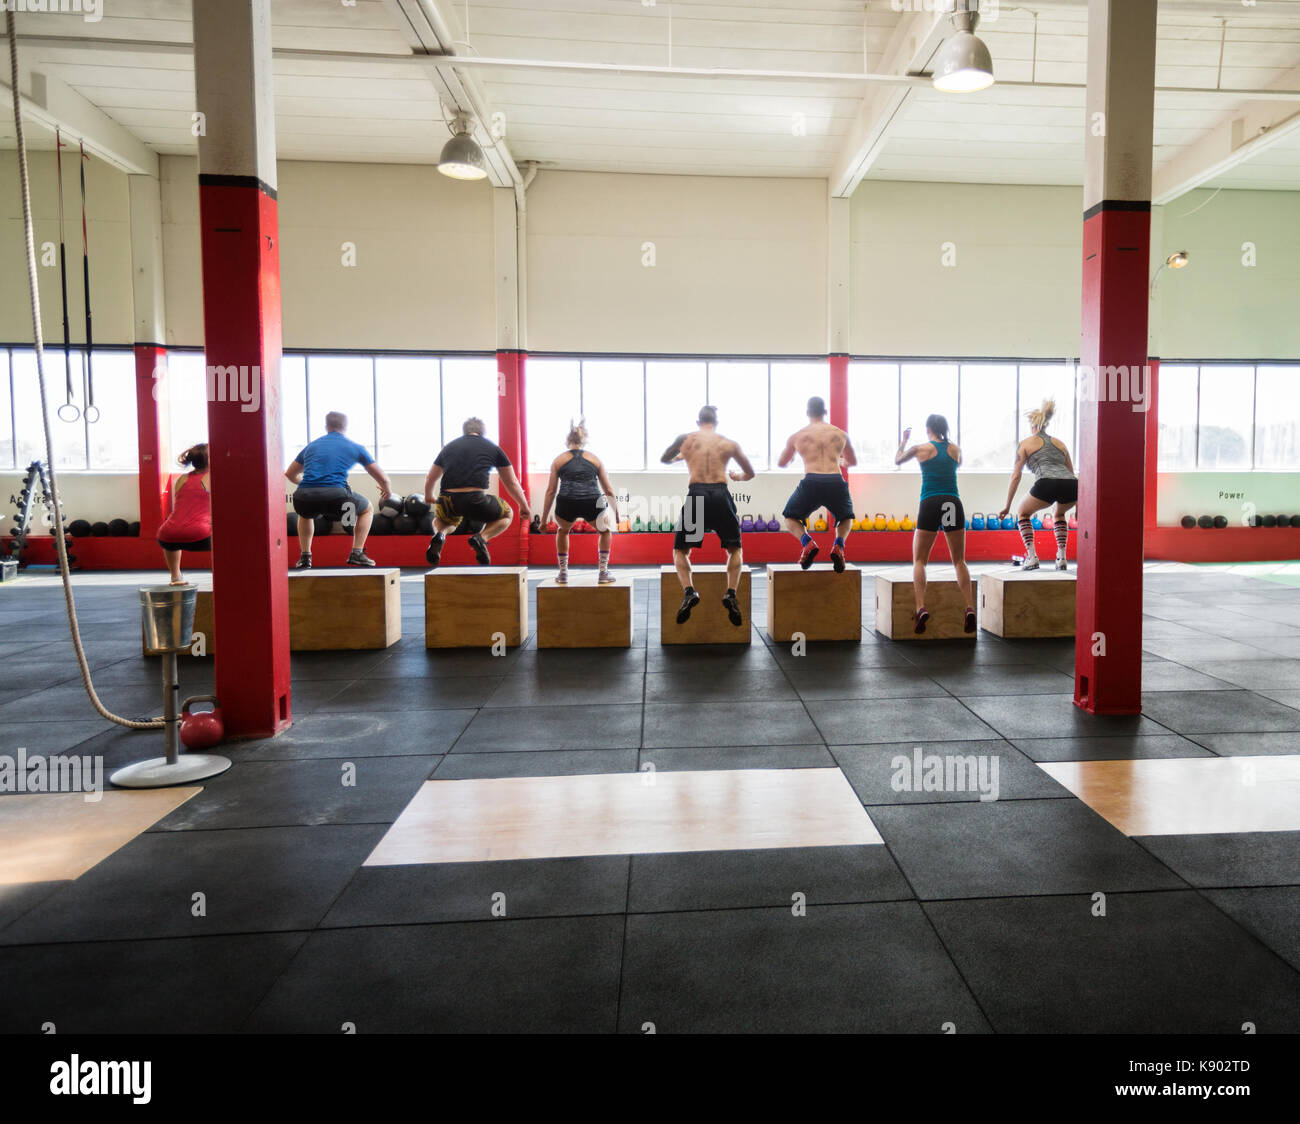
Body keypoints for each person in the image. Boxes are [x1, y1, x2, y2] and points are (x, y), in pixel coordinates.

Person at [659, 405, 755, 626]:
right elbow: (750, 473)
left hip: (697, 495)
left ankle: (689, 591)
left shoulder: (688, 440)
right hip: (721, 495)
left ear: (697, 421)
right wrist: (737, 477)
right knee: (735, 549)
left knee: (681, 550)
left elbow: (665, 459)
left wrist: (679, 447)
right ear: (716, 422)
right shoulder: (729, 443)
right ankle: (730, 593)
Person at [894, 414, 976, 634]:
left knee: (919, 560)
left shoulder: (920, 449)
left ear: (928, 428)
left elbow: (898, 459)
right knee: (959, 560)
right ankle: (969, 607)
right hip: (952, 501)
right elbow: (958, 464)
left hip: (930, 502)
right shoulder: (955, 449)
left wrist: (904, 440)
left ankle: (921, 607)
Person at [286, 412, 393, 569]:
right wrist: (387, 491)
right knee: (367, 508)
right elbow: (383, 478)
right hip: (337, 497)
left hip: (303, 497)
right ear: (345, 427)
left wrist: (308, 485)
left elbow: (290, 474)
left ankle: (305, 557)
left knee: (305, 514)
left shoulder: (311, 447)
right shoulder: (355, 447)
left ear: (326, 427)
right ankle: (357, 552)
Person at [424, 417, 530, 567]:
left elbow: (431, 478)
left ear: (464, 431)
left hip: (448, 499)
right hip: (476, 500)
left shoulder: (449, 447)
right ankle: (482, 538)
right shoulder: (492, 448)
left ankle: (440, 535)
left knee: (443, 521)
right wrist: (524, 505)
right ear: (482, 432)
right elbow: (511, 482)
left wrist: (428, 495)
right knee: (507, 513)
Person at [777, 395, 858, 572]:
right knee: (846, 517)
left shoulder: (798, 436)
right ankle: (839, 545)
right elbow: (851, 461)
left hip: (811, 482)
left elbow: (782, 462)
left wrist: (791, 460)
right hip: (835, 480)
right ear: (825, 412)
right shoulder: (840, 434)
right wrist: (841, 462)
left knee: (790, 517)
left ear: (807, 413)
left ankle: (807, 543)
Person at [997, 398, 1078, 571]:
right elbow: (1071, 474)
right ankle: (1061, 558)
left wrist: (1007, 506)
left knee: (1023, 513)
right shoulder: (1060, 444)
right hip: (1071, 486)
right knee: (1059, 514)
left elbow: (1016, 476)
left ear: (1032, 426)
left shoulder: (1026, 443)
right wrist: (1078, 506)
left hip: (1047, 482)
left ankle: (1032, 557)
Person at [540, 420, 621, 584]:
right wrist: (617, 513)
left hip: (566, 502)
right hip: (592, 501)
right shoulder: (595, 459)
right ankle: (603, 573)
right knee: (605, 531)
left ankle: (563, 574)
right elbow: (609, 490)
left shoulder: (558, 460)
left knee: (563, 531)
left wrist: (543, 520)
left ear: (567, 441)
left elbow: (550, 491)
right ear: (584, 441)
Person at [157, 444, 211, 585]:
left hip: (167, 536)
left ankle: (175, 577)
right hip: (201, 538)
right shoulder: (213, 477)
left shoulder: (182, 479)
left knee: (174, 531)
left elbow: (184, 508)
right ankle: (223, 574)